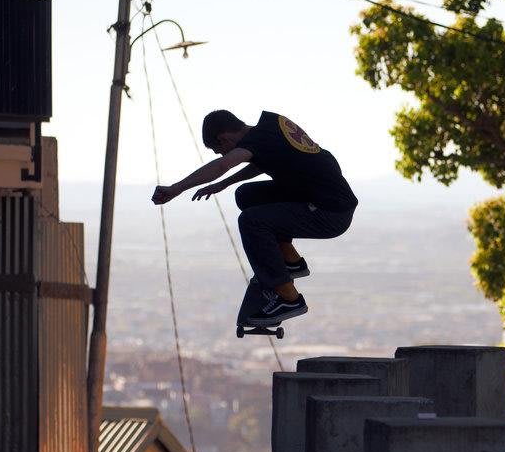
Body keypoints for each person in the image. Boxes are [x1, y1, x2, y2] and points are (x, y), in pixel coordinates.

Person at [151, 110, 358, 326]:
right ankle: (291, 262)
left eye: (219, 150)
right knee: (247, 195)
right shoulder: (270, 125)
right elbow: (260, 162)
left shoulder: (256, 140)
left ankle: (288, 297)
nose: (223, 155)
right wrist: (225, 184)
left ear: (223, 138)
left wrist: (177, 188)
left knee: (252, 221)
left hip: (331, 212)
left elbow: (222, 166)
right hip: (323, 197)